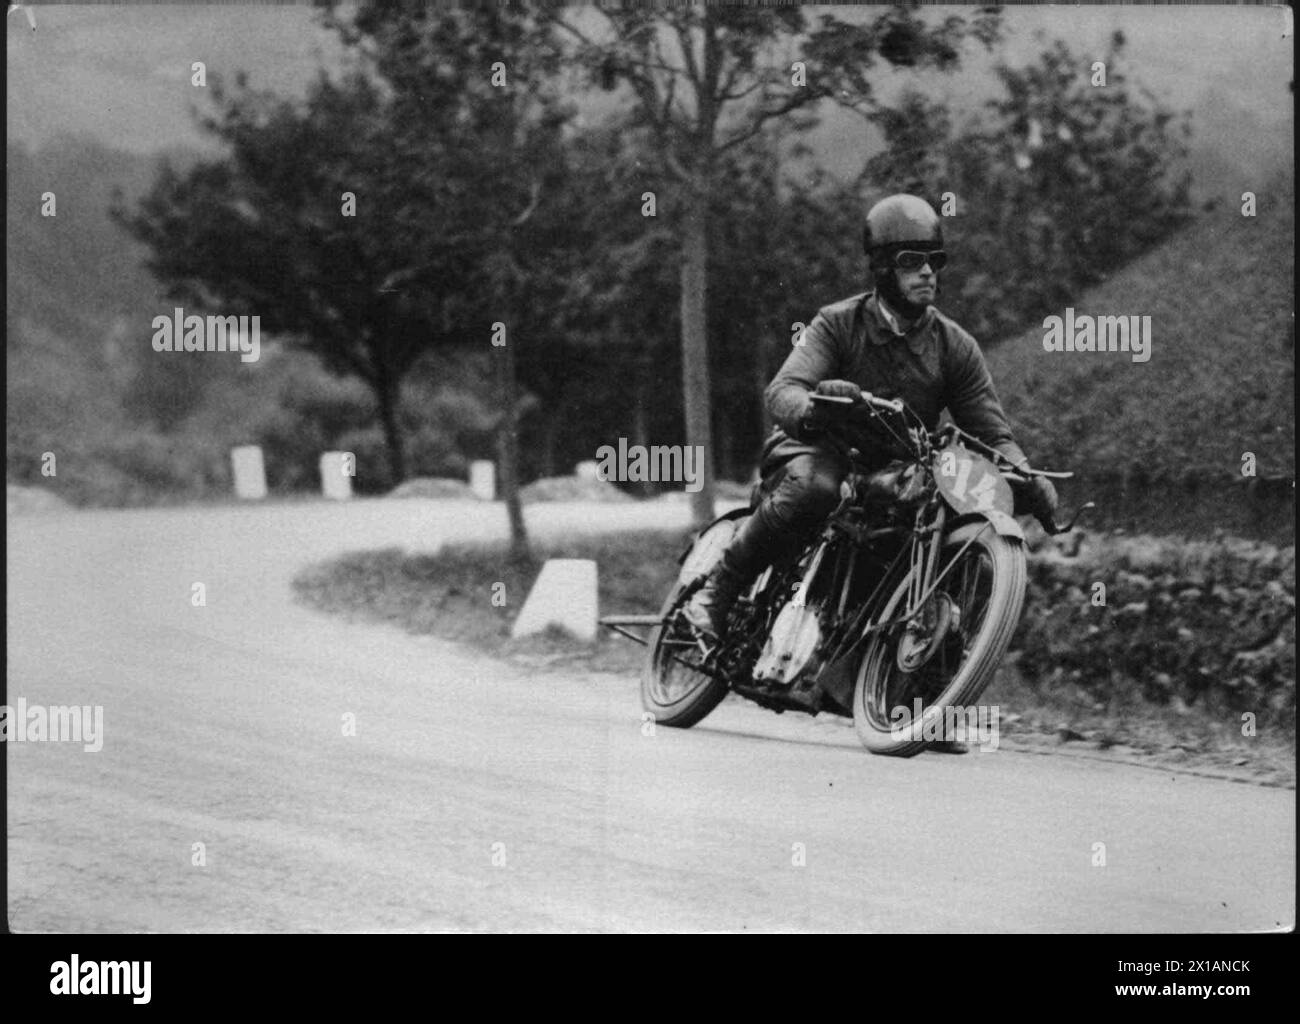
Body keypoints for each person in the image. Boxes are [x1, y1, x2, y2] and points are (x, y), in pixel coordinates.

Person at [682, 193, 1059, 639]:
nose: (927, 272)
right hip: (818, 448)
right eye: (910, 261)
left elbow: (992, 434)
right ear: (881, 267)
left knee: (946, 530)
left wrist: (1025, 474)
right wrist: (815, 407)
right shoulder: (836, 324)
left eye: (934, 261)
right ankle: (719, 589)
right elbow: (783, 390)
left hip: (894, 473)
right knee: (815, 488)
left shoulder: (956, 347)